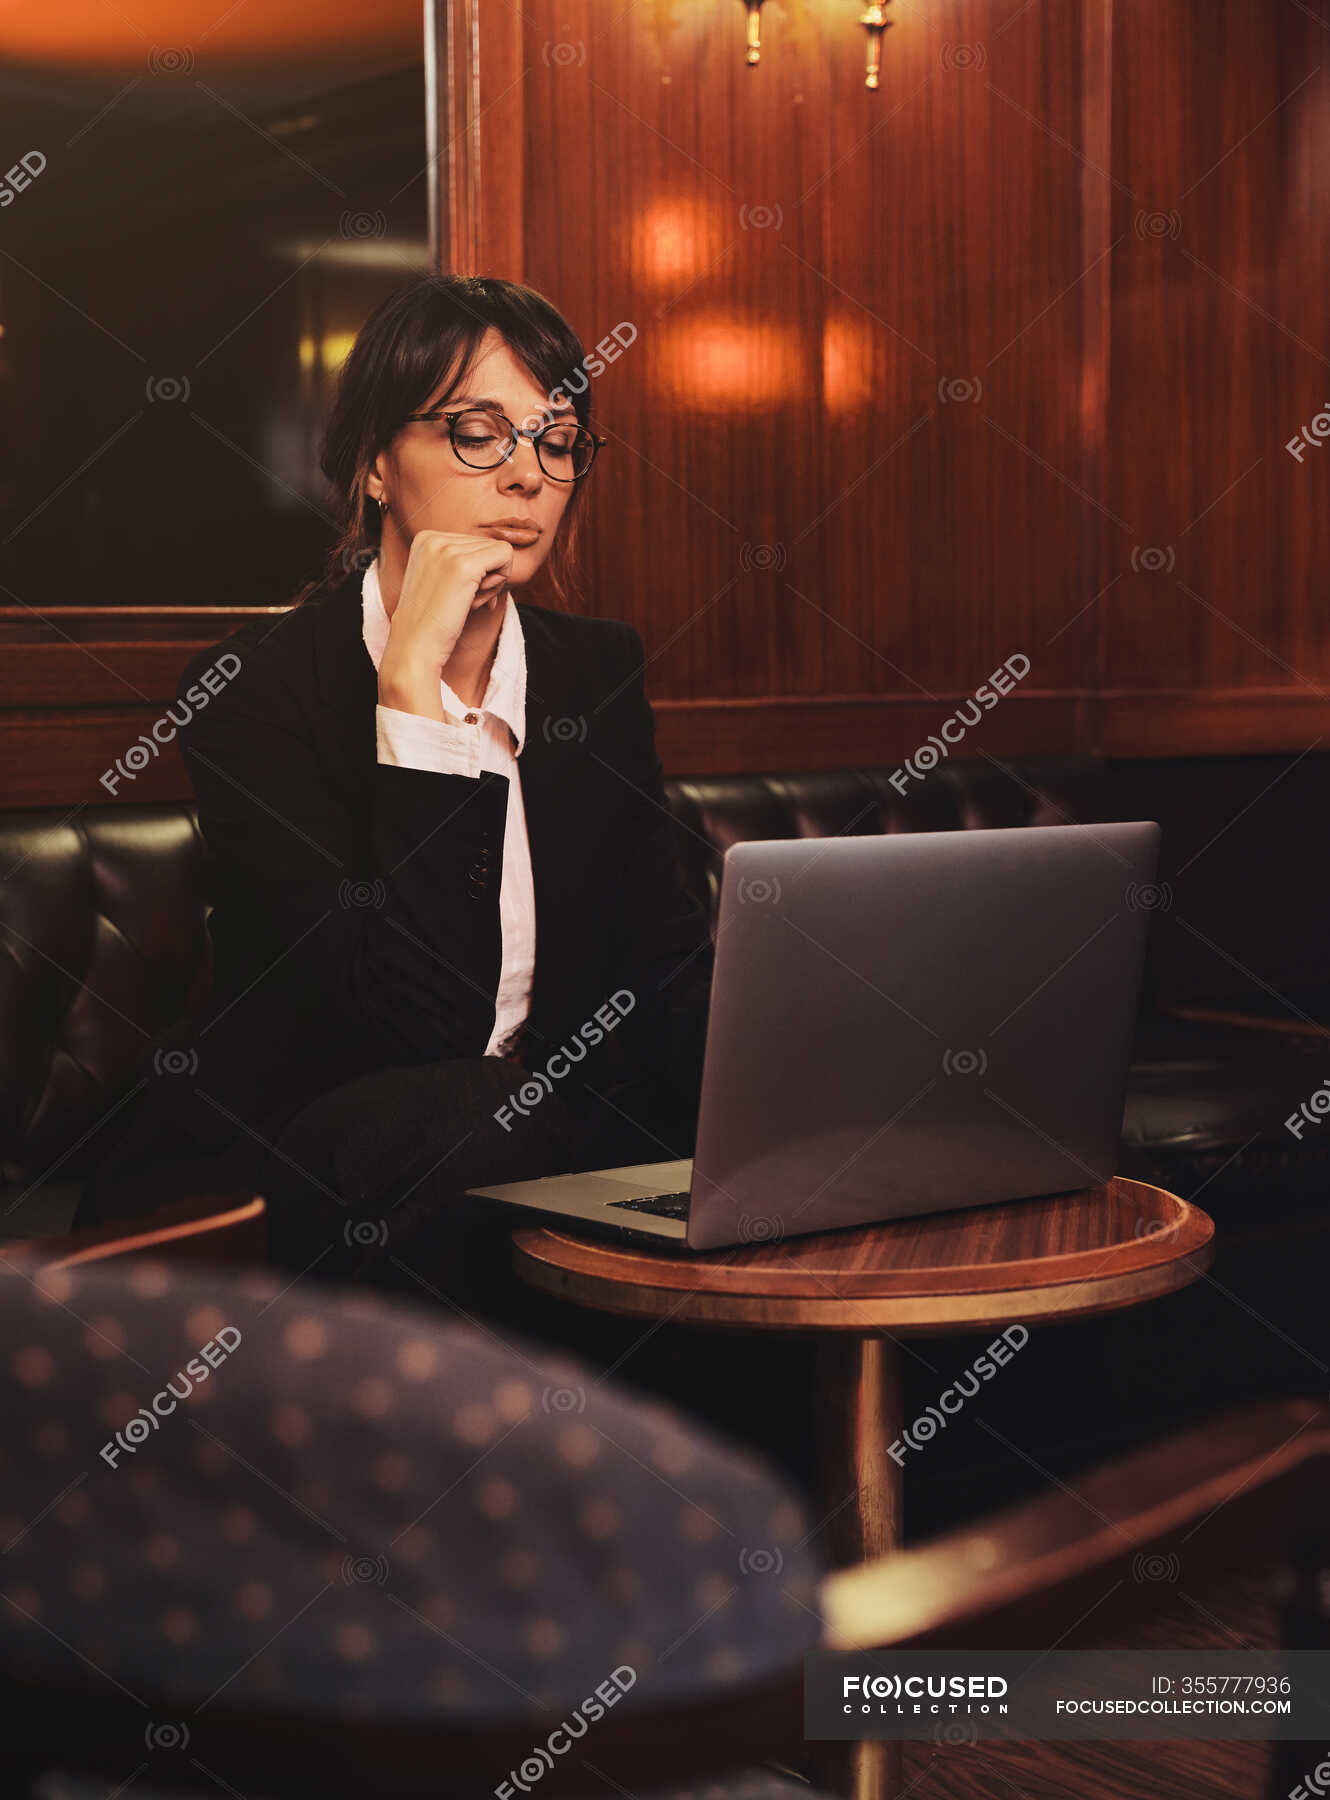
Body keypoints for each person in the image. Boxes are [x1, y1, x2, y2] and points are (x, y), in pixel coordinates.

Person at [76, 274, 715, 1313]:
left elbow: (664, 965)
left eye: (556, 442)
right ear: (376, 463)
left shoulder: (593, 672)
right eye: (478, 432)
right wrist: (413, 691)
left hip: (519, 1147)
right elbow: (420, 1025)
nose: (526, 478)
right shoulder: (254, 689)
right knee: (479, 1112)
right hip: (286, 1155)